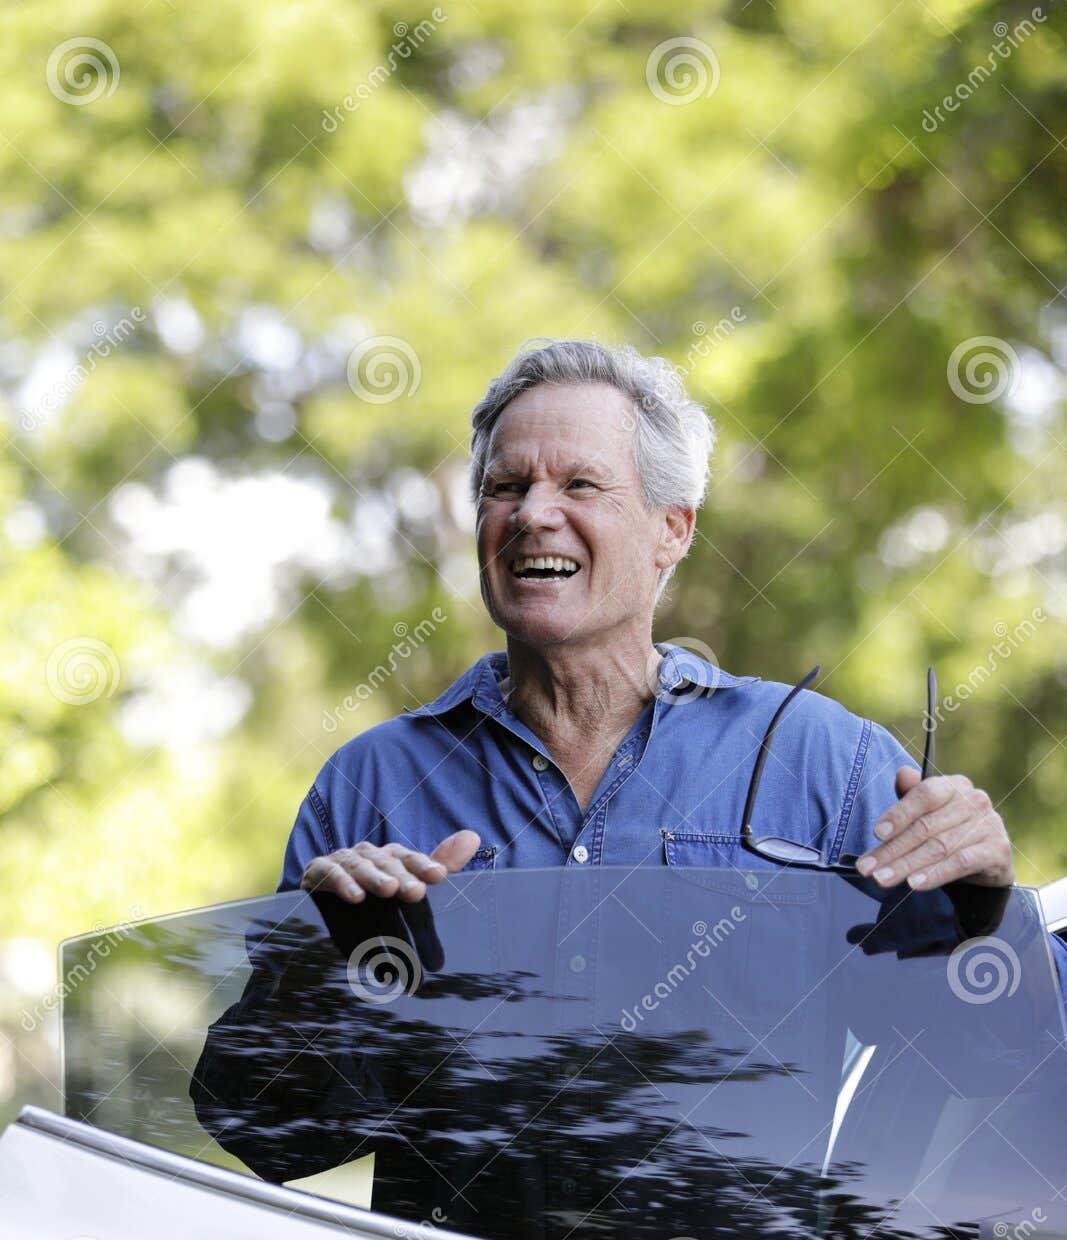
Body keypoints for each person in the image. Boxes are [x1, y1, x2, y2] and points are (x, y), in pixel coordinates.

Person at [283, 337, 1015, 920]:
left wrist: (987, 904)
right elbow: (242, 1100)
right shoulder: (364, 787)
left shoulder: (825, 762)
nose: (532, 513)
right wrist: (311, 962)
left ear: (671, 530)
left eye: (579, 484)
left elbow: (1002, 1053)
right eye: (506, 487)